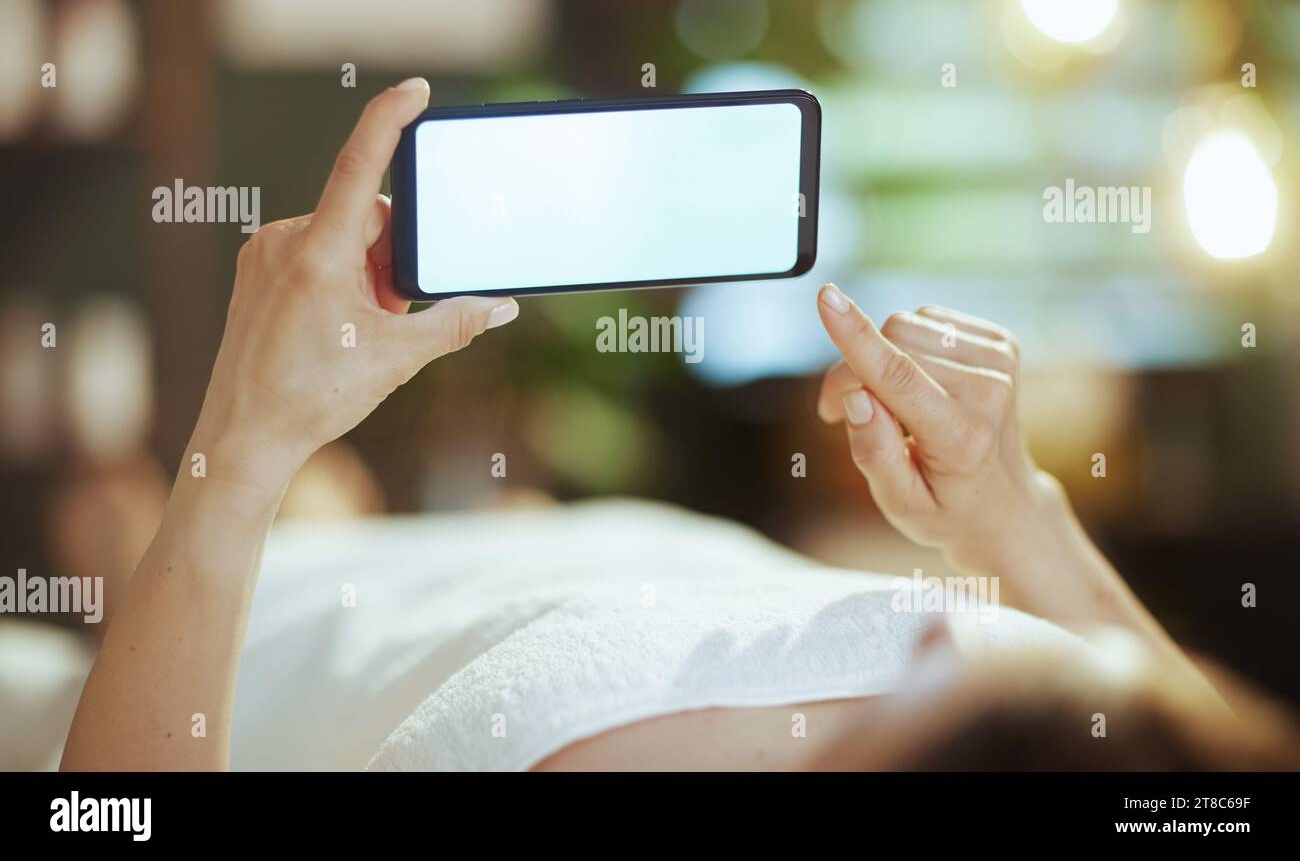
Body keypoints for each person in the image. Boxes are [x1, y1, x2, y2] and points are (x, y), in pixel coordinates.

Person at [59, 80, 1300, 772]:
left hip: (176, 650)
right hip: (411, 573)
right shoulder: (1130, 739)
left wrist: (236, 461)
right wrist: (1008, 503)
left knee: (95, 532)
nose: (940, 623)